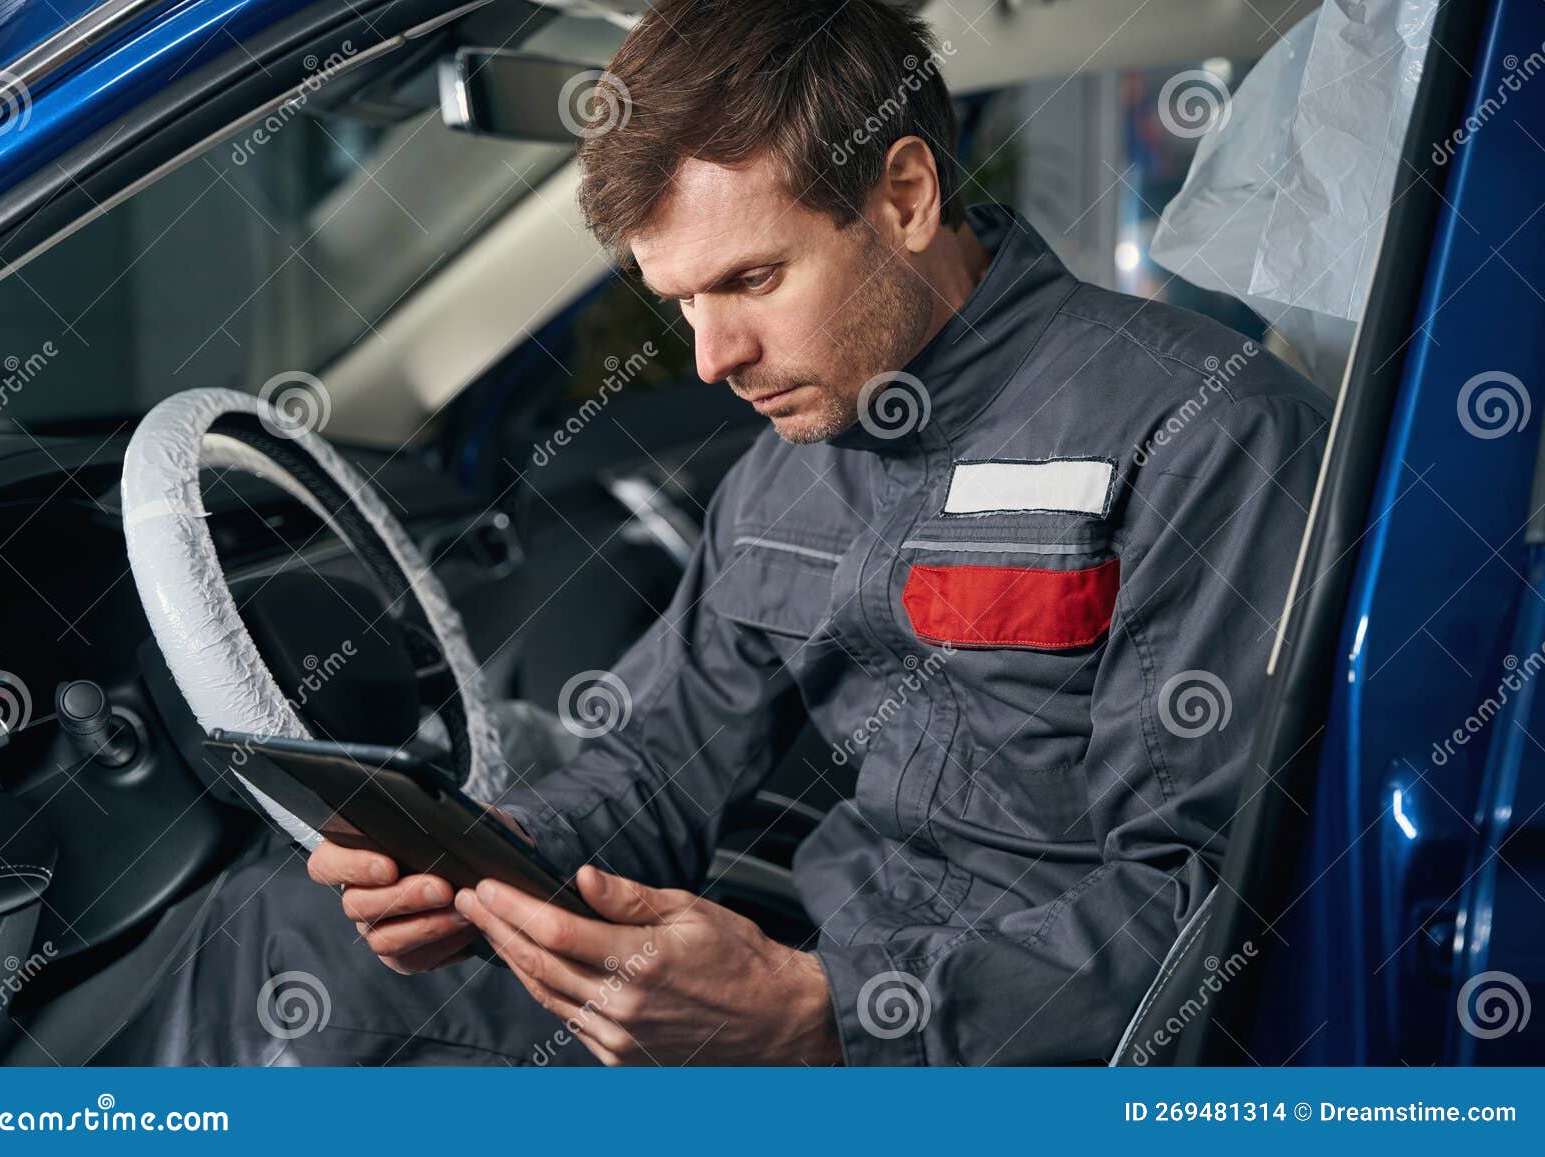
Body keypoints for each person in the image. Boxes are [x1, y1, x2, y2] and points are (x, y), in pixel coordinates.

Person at [115, 0, 1331, 1066]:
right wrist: (488, 859)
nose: (710, 360)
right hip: (799, 997)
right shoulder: (778, 480)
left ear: (903, 195)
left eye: (749, 281)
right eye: (680, 302)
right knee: (274, 929)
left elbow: (1203, 908)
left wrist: (831, 1017)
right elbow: (652, 764)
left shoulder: (1196, 429)